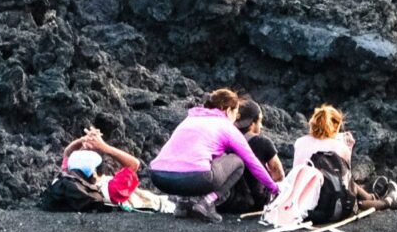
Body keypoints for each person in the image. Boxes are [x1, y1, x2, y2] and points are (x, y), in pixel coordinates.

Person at [149, 88, 281, 222]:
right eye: (235, 113)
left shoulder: (190, 119)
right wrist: (275, 189)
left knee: (194, 158)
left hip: (158, 177)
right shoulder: (226, 126)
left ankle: (182, 203)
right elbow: (252, 163)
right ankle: (207, 202)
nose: (235, 118)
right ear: (228, 110)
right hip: (194, 178)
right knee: (238, 162)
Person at [290, 105, 397, 211]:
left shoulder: (299, 142)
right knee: (351, 197)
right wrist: (349, 148)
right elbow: (345, 177)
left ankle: (371, 195)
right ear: (335, 127)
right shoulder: (339, 147)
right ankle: (388, 201)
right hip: (326, 202)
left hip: (301, 197)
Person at [222, 99, 285, 215]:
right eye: (260, 121)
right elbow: (278, 174)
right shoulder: (263, 142)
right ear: (252, 123)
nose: (261, 126)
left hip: (227, 201)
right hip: (256, 202)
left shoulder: (224, 140)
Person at [59, 127, 143, 206]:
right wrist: (104, 147)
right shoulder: (111, 190)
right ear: (95, 173)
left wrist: (83, 140)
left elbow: (67, 152)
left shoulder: (66, 179)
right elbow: (134, 164)